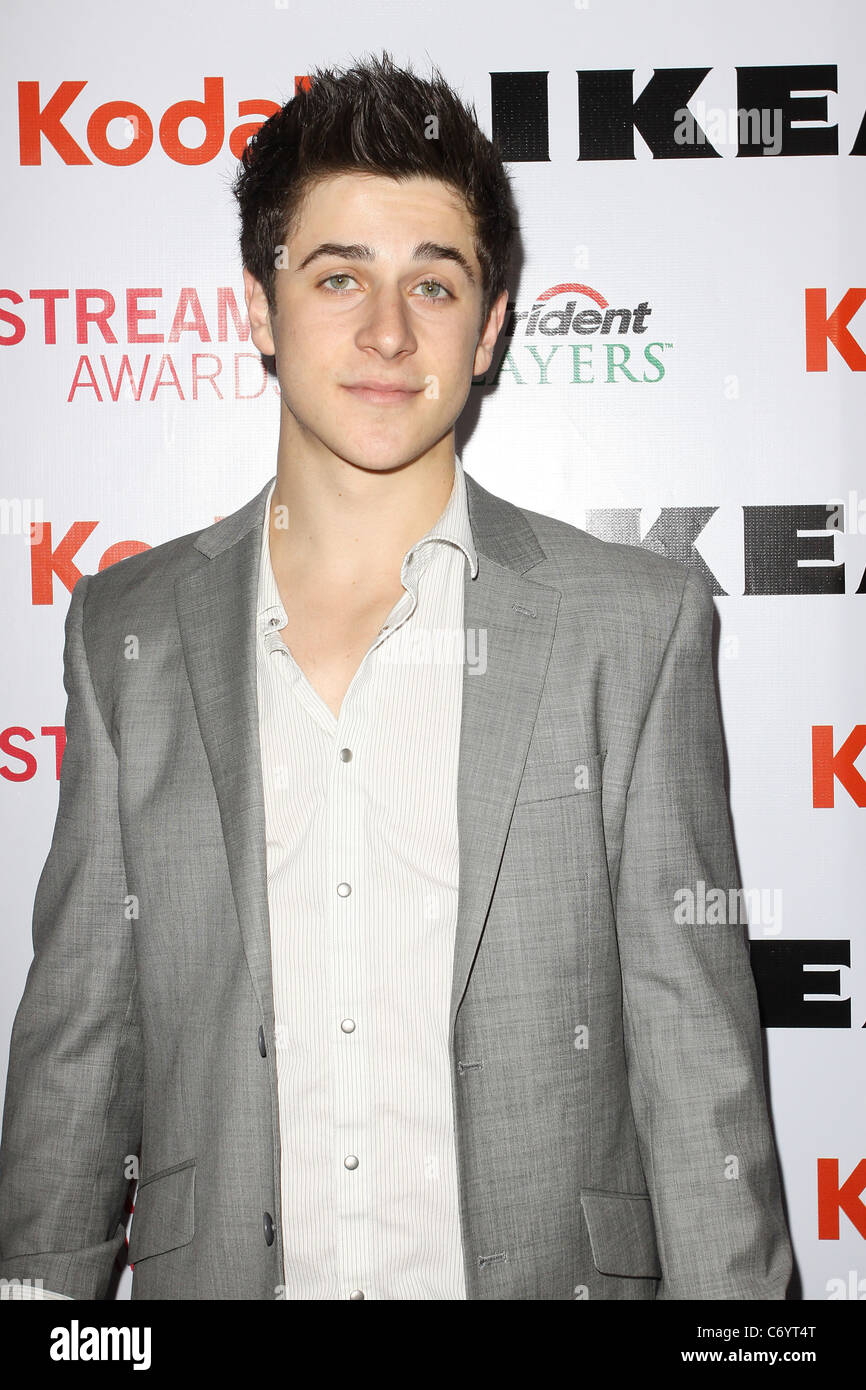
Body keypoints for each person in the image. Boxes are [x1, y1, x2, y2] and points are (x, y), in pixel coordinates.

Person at [0, 50, 792, 1300]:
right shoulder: (125, 630)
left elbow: (698, 1068)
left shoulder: (631, 625)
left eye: (433, 283)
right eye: (337, 277)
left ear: (487, 330)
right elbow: (75, 1055)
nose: (384, 331)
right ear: (258, 309)